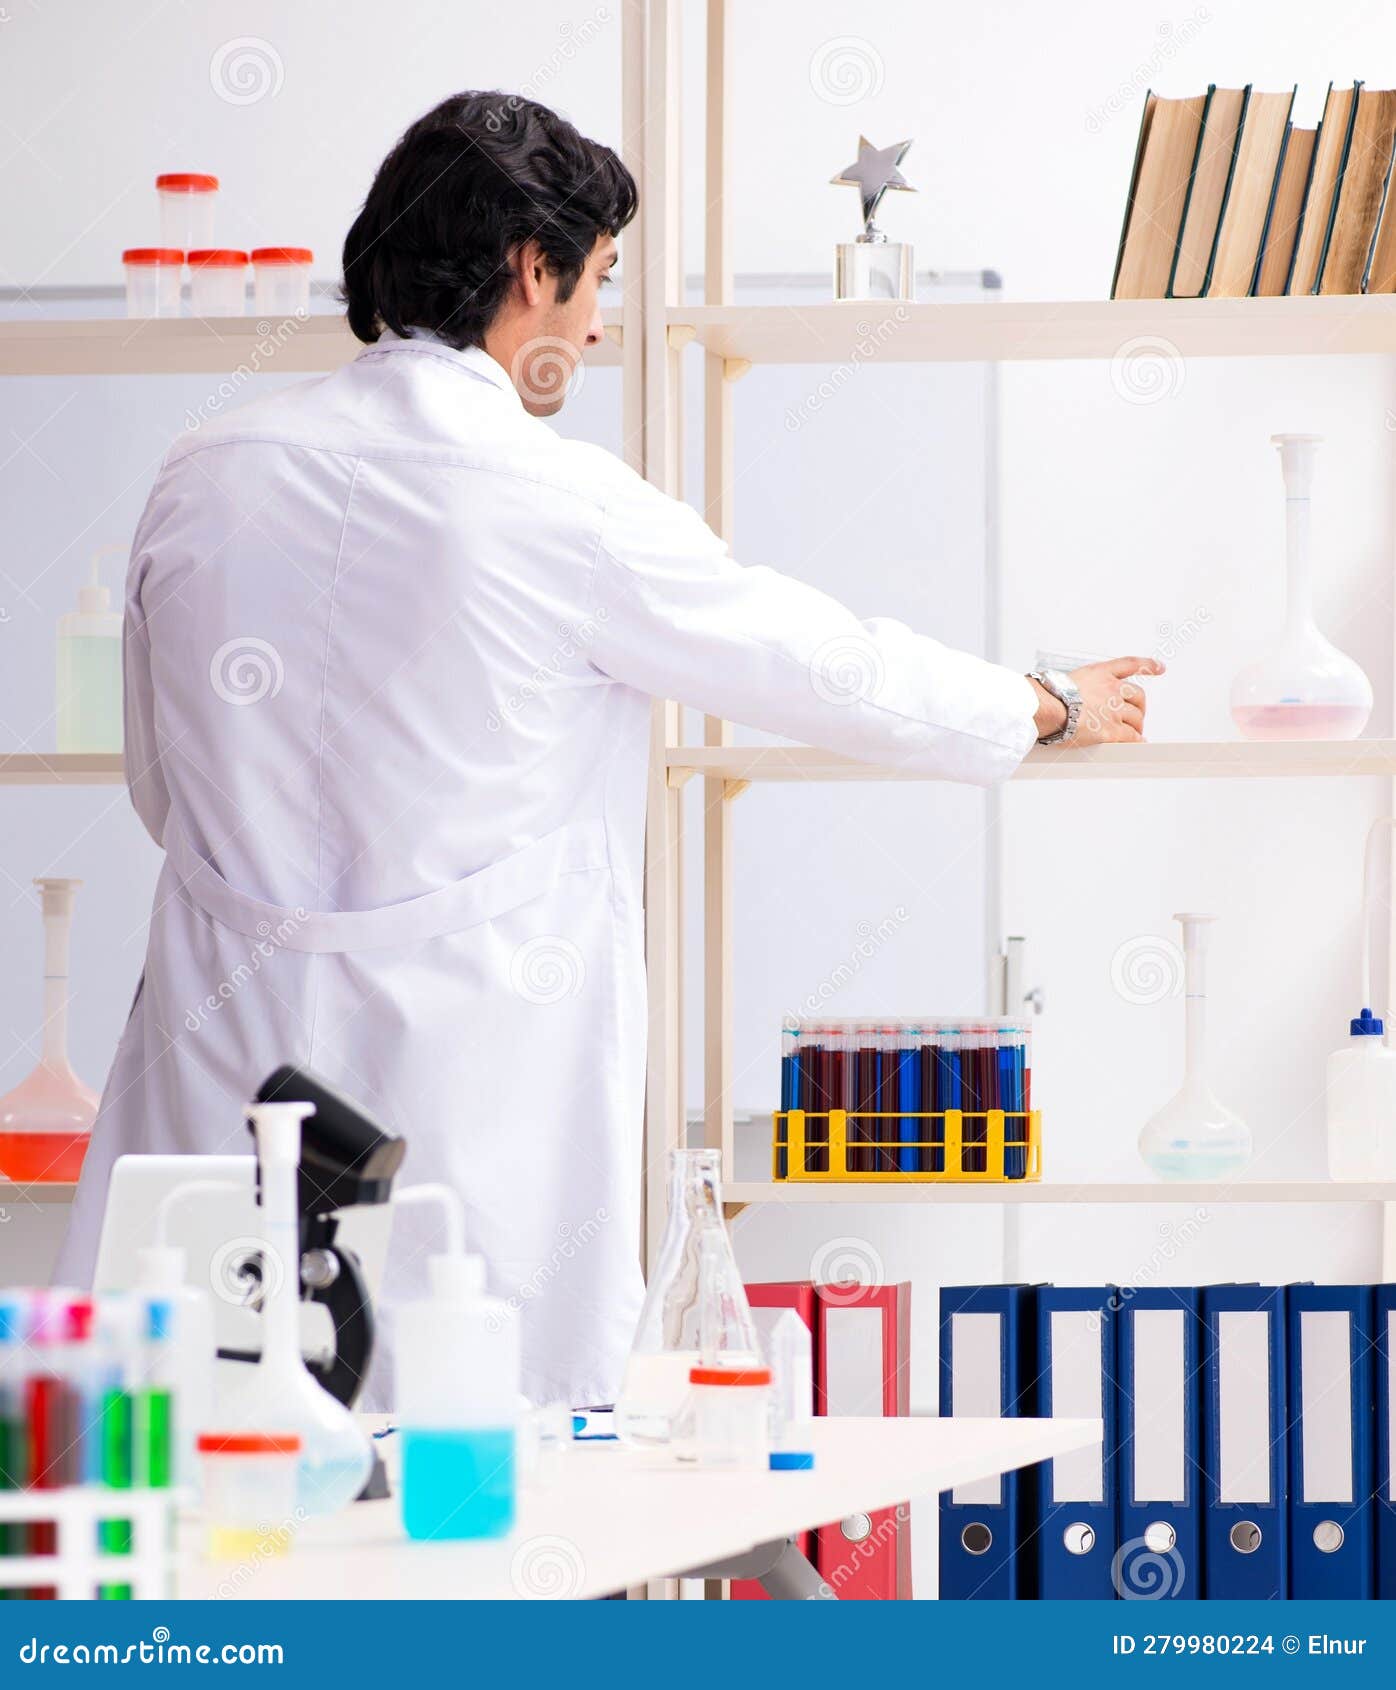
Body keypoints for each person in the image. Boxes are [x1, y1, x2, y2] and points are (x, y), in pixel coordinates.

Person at [54, 91, 1159, 1406]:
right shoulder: (556, 502)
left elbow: (158, 785)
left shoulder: (203, 467)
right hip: (462, 1096)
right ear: (532, 266)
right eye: (600, 281)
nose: (597, 320)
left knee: (190, 1476)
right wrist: (1038, 697)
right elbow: (816, 661)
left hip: (214, 1060)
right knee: (469, 1493)